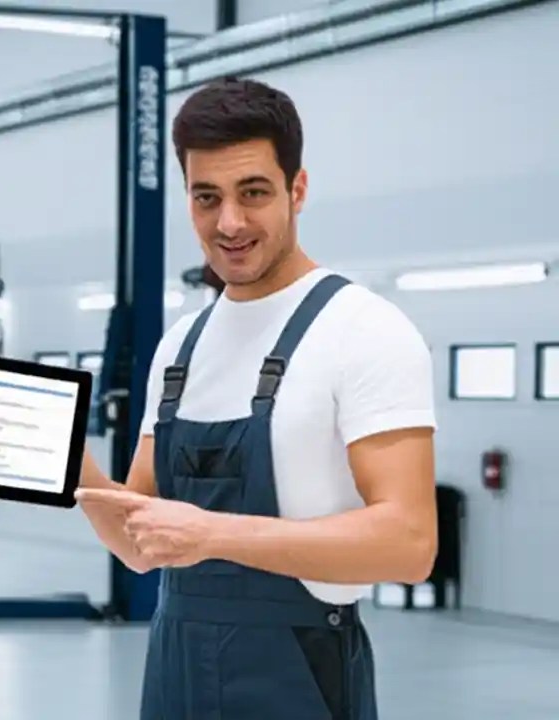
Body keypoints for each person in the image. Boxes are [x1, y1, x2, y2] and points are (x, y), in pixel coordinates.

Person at [75, 77, 438, 719]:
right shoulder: (181, 347)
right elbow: (141, 544)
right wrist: (66, 460)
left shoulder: (364, 330)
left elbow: (410, 543)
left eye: (254, 193)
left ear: (297, 189)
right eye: (206, 198)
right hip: (175, 675)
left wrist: (212, 533)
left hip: (300, 678)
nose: (230, 223)